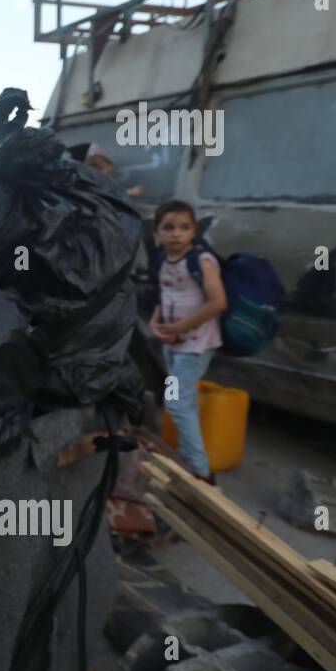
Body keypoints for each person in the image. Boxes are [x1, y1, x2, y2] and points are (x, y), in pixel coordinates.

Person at [149, 199, 227, 485]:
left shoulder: (202, 260)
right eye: (168, 227)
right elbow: (164, 295)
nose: (176, 234)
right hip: (173, 342)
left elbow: (218, 302)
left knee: (176, 402)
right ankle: (188, 457)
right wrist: (154, 322)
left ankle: (201, 474)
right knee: (185, 400)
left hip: (196, 343)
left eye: (184, 227)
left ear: (194, 231)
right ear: (157, 231)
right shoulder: (162, 260)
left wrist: (180, 327)